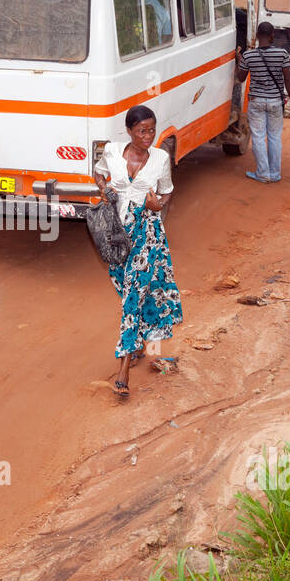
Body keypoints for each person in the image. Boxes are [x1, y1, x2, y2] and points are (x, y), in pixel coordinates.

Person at [93, 105, 184, 400]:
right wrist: (104, 188)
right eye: (142, 130)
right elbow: (99, 175)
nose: (148, 136)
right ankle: (140, 342)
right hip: (118, 233)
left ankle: (124, 370)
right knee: (125, 287)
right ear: (129, 130)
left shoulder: (160, 158)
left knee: (132, 296)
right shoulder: (113, 152)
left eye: (152, 130)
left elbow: (167, 190)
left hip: (147, 234)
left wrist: (159, 203)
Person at [236, 21, 290, 183]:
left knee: (258, 136)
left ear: (256, 35)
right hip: (276, 100)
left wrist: (240, 60)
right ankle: (275, 174)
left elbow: (241, 78)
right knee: (275, 137)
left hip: (256, 101)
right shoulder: (282, 54)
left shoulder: (249, 55)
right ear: (272, 36)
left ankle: (263, 173)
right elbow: (288, 79)